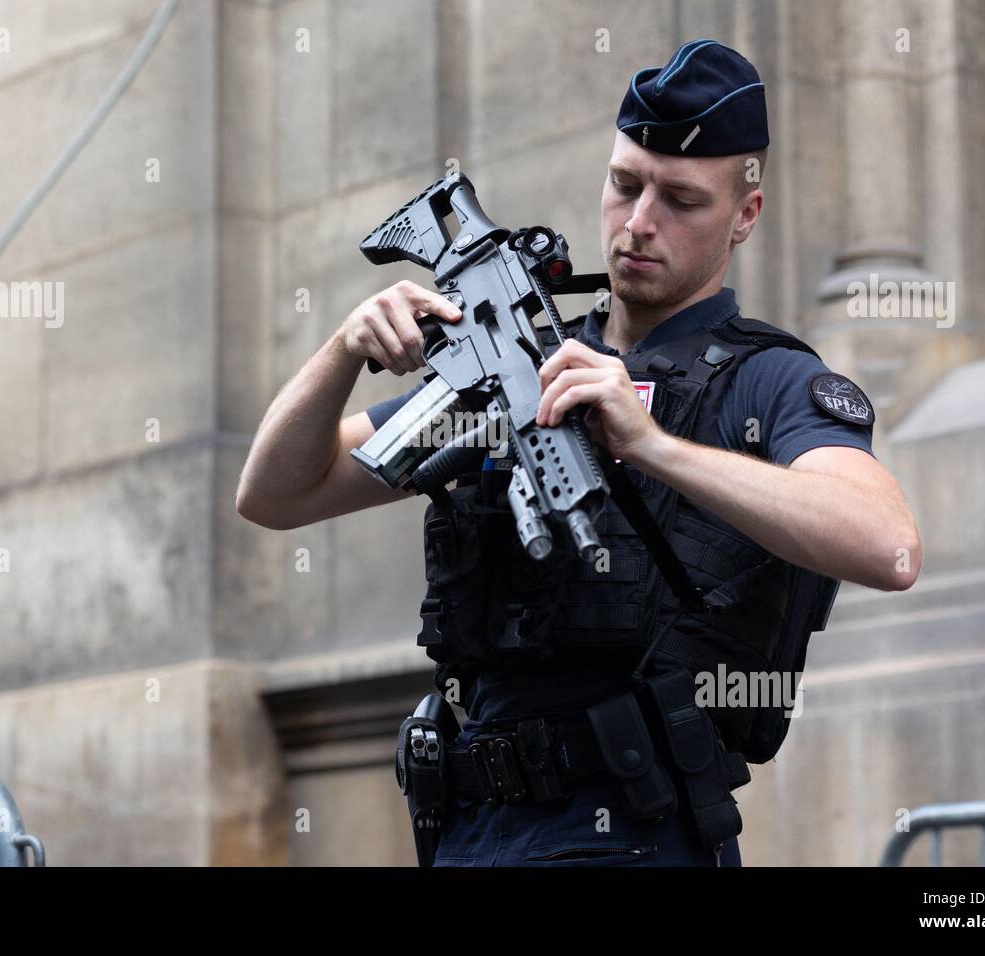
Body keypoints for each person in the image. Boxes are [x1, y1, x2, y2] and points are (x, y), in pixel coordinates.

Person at [237, 38, 922, 866]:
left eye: (680, 199)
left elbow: (887, 546)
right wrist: (344, 350)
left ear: (745, 215)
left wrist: (653, 446)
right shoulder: (510, 364)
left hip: (635, 830)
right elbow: (275, 494)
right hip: (465, 831)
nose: (638, 223)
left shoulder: (767, 383)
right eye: (624, 184)